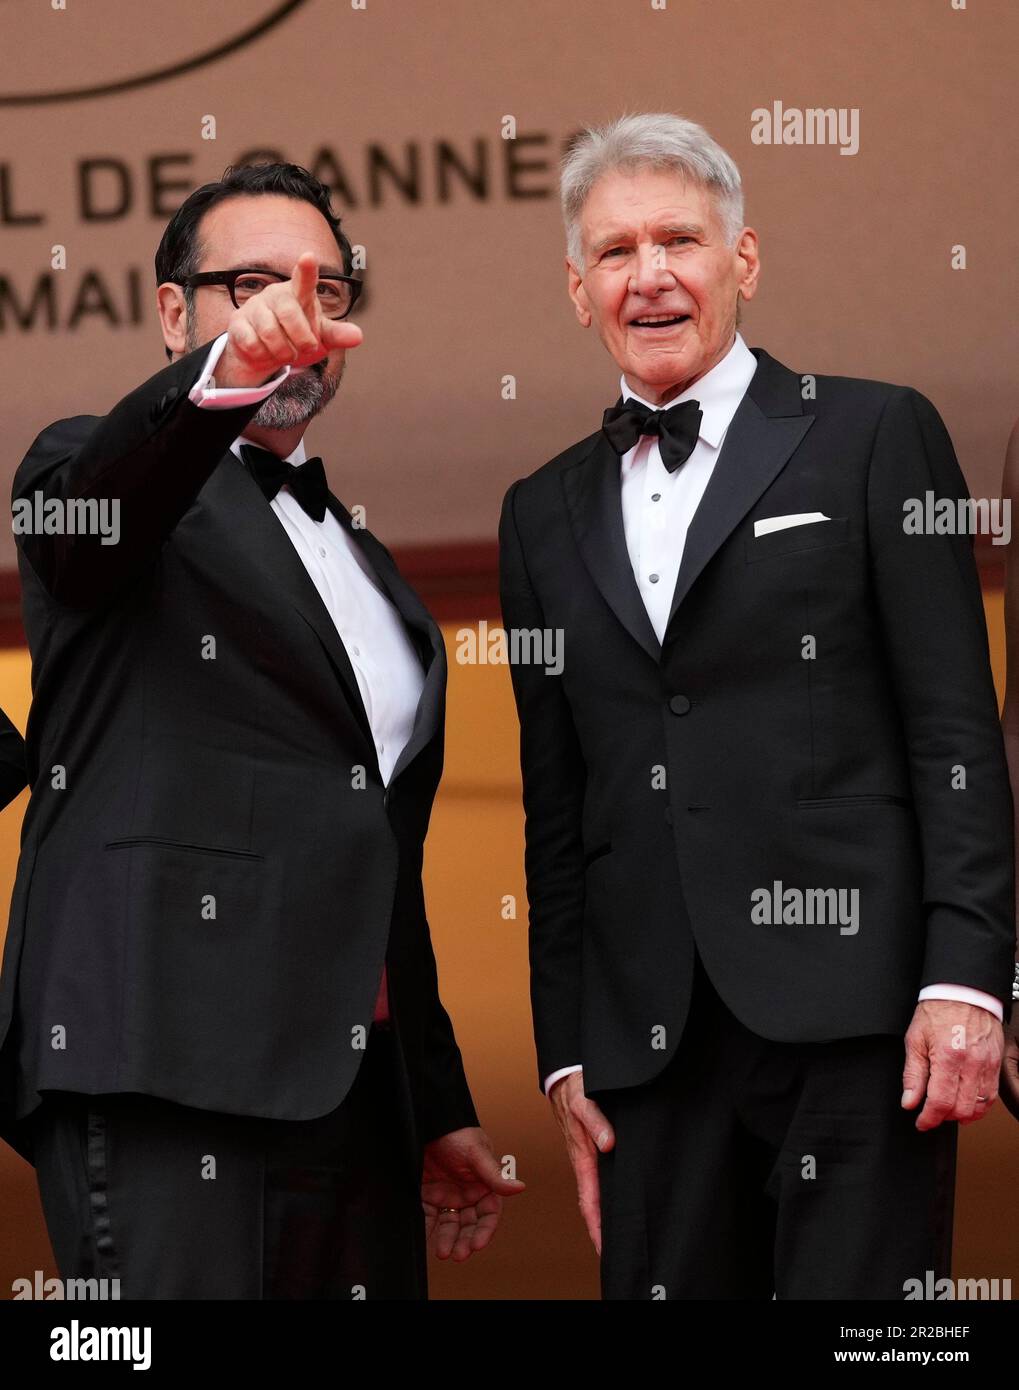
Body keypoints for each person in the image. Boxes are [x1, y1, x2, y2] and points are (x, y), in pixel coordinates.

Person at [499, 113, 1014, 1299]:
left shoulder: (873, 431)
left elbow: (952, 730)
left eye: (678, 240)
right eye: (615, 251)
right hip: (643, 1051)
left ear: (743, 259)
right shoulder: (537, 511)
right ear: (577, 291)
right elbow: (555, 805)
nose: (649, 275)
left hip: (861, 1023)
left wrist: (963, 980)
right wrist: (564, 1055)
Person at [0, 161, 522, 1299]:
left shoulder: (370, 570)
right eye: (253, 284)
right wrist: (222, 382)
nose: (295, 310)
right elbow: (90, 530)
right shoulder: (86, 466)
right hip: (163, 1056)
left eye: (325, 289)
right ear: (172, 312)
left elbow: (382, 859)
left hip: (356, 1098)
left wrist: (434, 1100)